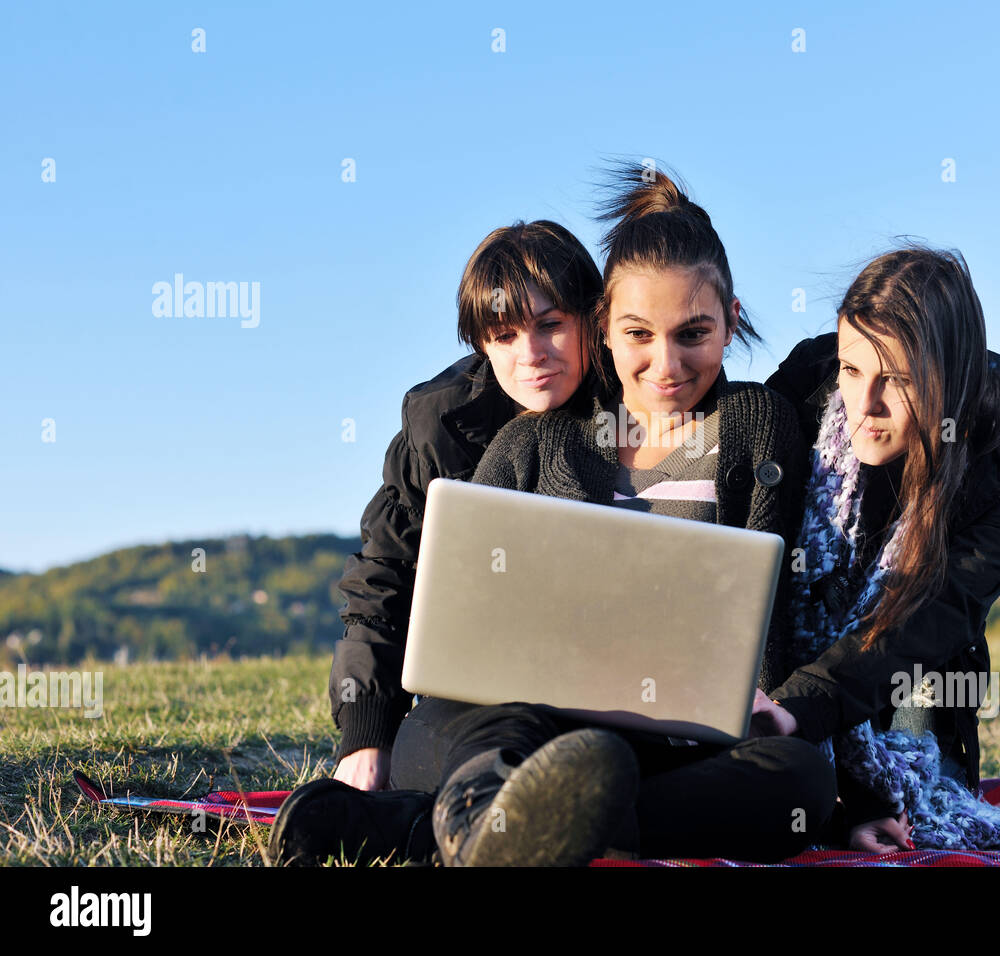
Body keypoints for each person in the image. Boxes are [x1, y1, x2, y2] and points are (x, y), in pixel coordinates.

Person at [272, 164, 836, 867]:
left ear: (732, 322)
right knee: (448, 734)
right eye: (639, 334)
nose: (666, 363)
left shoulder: (758, 426)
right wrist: (366, 729)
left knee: (802, 784)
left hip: (677, 744)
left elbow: (775, 603)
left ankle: (435, 830)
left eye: (693, 333)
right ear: (607, 330)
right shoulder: (528, 439)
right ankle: (534, 810)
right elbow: (426, 595)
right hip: (522, 727)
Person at [762, 245, 1000, 853]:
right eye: (852, 371)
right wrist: (778, 700)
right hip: (782, 650)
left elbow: (940, 612)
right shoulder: (801, 387)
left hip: (916, 662)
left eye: (896, 379)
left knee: (915, 805)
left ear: (950, 376)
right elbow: (754, 559)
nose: (863, 407)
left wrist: (809, 706)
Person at [326, 220, 606, 793]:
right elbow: (384, 574)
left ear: (592, 318)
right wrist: (364, 733)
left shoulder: (638, 398)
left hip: (612, 683)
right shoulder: (439, 423)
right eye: (504, 336)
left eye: (550, 325)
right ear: (481, 342)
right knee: (436, 757)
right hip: (479, 690)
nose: (530, 354)